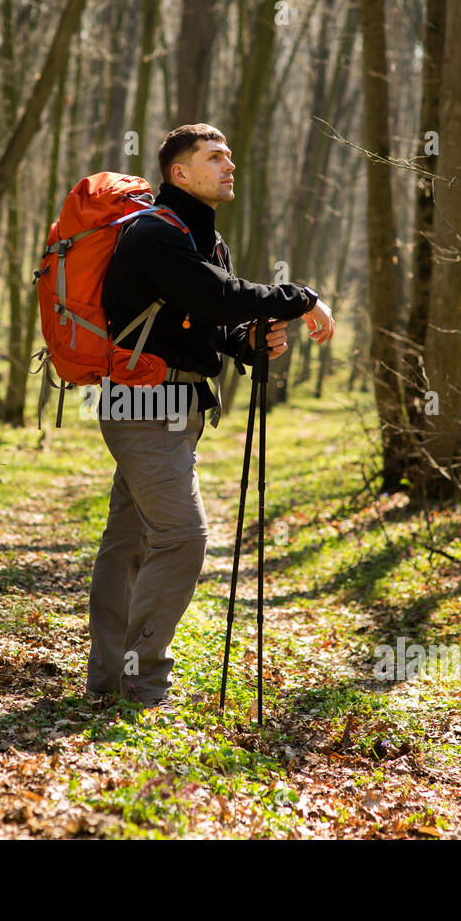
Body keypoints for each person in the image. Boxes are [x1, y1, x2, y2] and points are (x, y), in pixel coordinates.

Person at [86, 122, 335, 706]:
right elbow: (221, 296)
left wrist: (247, 345)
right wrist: (301, 298)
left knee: (131, 543)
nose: (229, 166)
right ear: (180, 173)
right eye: (214, 157)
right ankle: (141, 680)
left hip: (176, 406)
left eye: (229, 155)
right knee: (183, 538)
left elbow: (207, 321)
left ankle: (109, 680)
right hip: (142, 404)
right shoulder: (154, 233)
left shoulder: (202, 239)